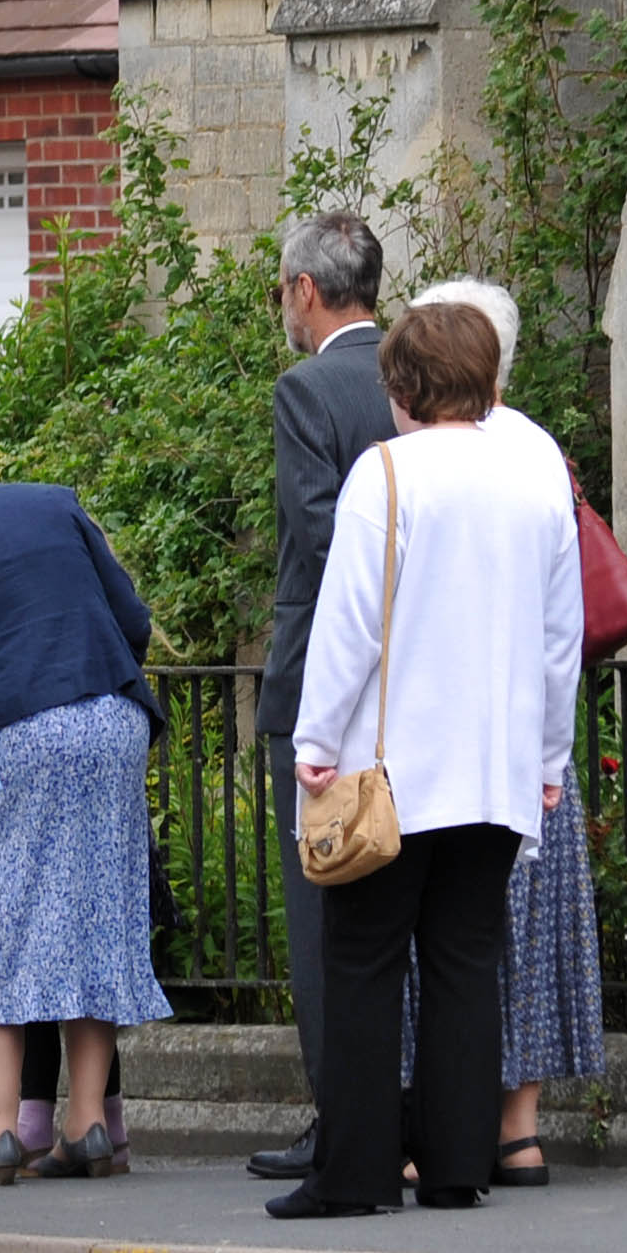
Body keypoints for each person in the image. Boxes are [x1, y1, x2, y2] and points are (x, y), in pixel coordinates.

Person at [282, 302, 581, 1218]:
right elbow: (558, 635)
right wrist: (549, 756)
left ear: (402, 387)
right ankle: (459, 1166)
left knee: (365, 964)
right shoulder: (534, 475)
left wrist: (315, 738)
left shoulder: (387, 474)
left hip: (395, 769)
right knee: (465, 963)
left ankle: (357, 1175)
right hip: (495, 770)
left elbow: (349, 623)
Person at [399, 276, 602, 1192]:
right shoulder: (538, 453)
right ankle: (517, 1130)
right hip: (528, 737)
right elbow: (562, 629)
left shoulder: (414, 456)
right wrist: (554, 750)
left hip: (440, 738)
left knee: (436, 940)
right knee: (527, 933)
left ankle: (436, 1124)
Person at [0, 480, 165, 1184]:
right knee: (97, 919)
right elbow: (131, 617)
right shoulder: (53, 503)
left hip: (19, 725)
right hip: (112, 719)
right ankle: (89, 1123)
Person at [246, 213, 396, 1188]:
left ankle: (343, 1120)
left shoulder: (307, 389)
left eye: (280, 294)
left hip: (326, 688)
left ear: (304, 290)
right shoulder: (423, 373)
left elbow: (312, 538)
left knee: (324, 910)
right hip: (418, 682)